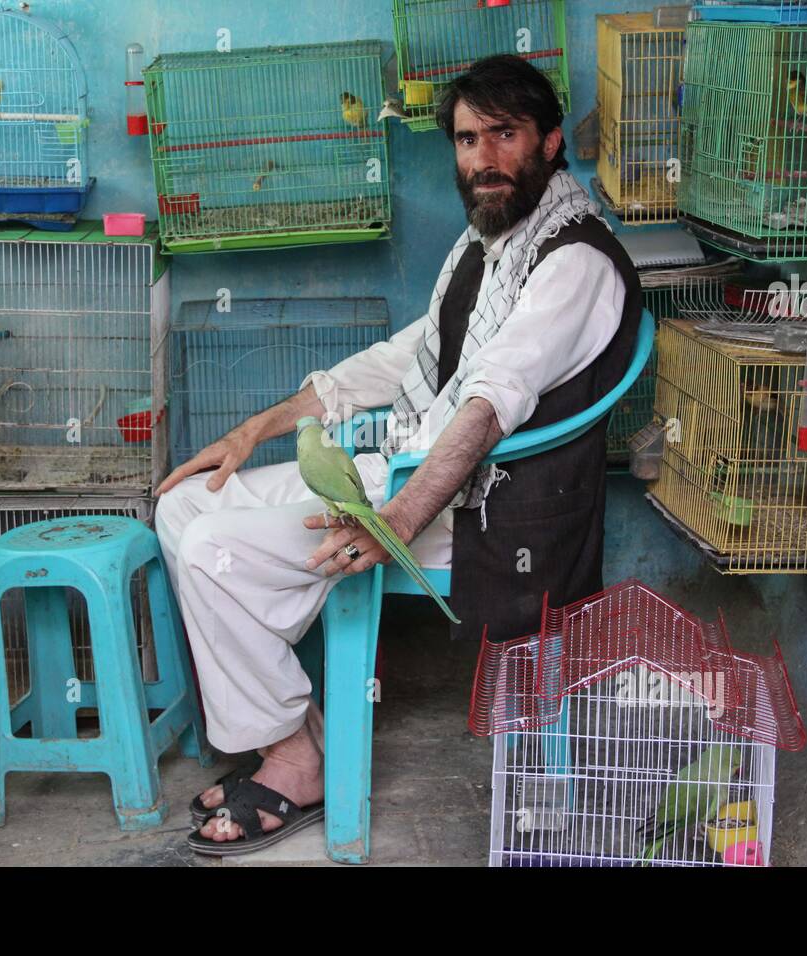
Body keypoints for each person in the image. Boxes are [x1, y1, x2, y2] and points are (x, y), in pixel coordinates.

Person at [155, 54, 643, 856]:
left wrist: (397, 519)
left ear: (552, 142)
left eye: (504, 135)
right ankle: (297, 734)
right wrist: (258, 429)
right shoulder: (492, 244)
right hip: (413, 469)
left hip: (484, 510)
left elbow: (489, 403)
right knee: (186, 504)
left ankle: (293, 763)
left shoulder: (573, 262)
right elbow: (408, 355)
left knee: (213, 550)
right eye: (465, 139)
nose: (482, 159)